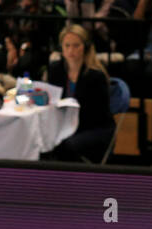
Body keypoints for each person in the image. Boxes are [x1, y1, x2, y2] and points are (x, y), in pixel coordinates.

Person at [42, 24, 117, 162]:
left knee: (65, 145)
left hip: (94, 128)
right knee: (40, 140)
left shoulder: (96, 76)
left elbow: (98, 115)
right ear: (61, 48)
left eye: (76, 46)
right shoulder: (55, 70)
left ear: (85, 47)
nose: (71, 50)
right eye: (67, 45)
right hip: (63, 125)